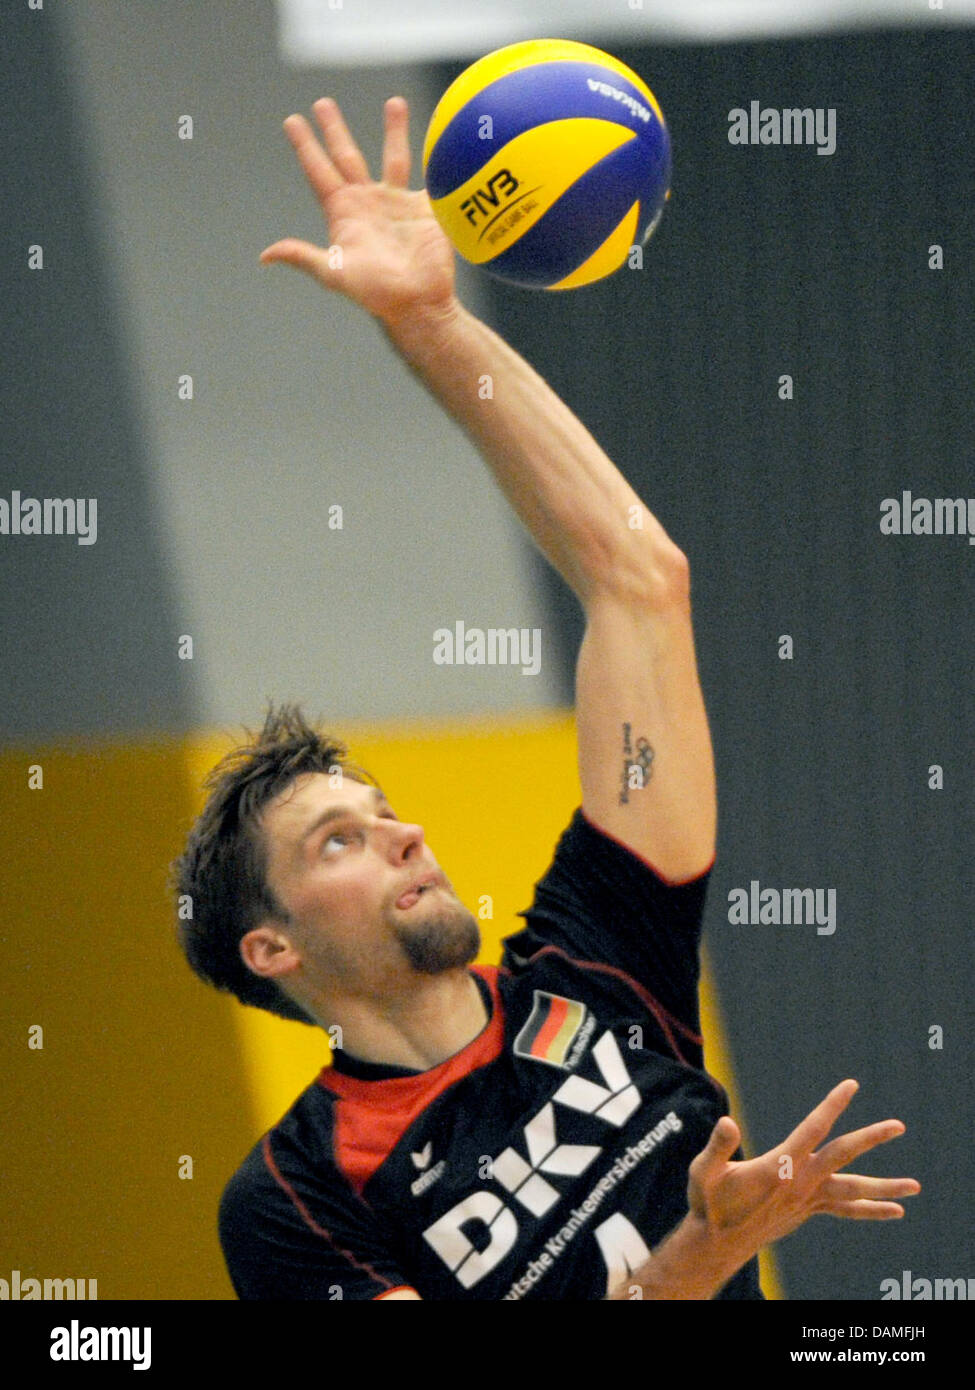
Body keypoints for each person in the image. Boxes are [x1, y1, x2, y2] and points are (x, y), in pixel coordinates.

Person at [173, 96, 919, 1300]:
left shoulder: (602, 951)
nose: (405, 830)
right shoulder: (293, 1200)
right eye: (340, 839)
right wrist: (699, 1255)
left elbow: (638, 584)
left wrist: (427, 323)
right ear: (272, 943)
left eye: (381, 806)